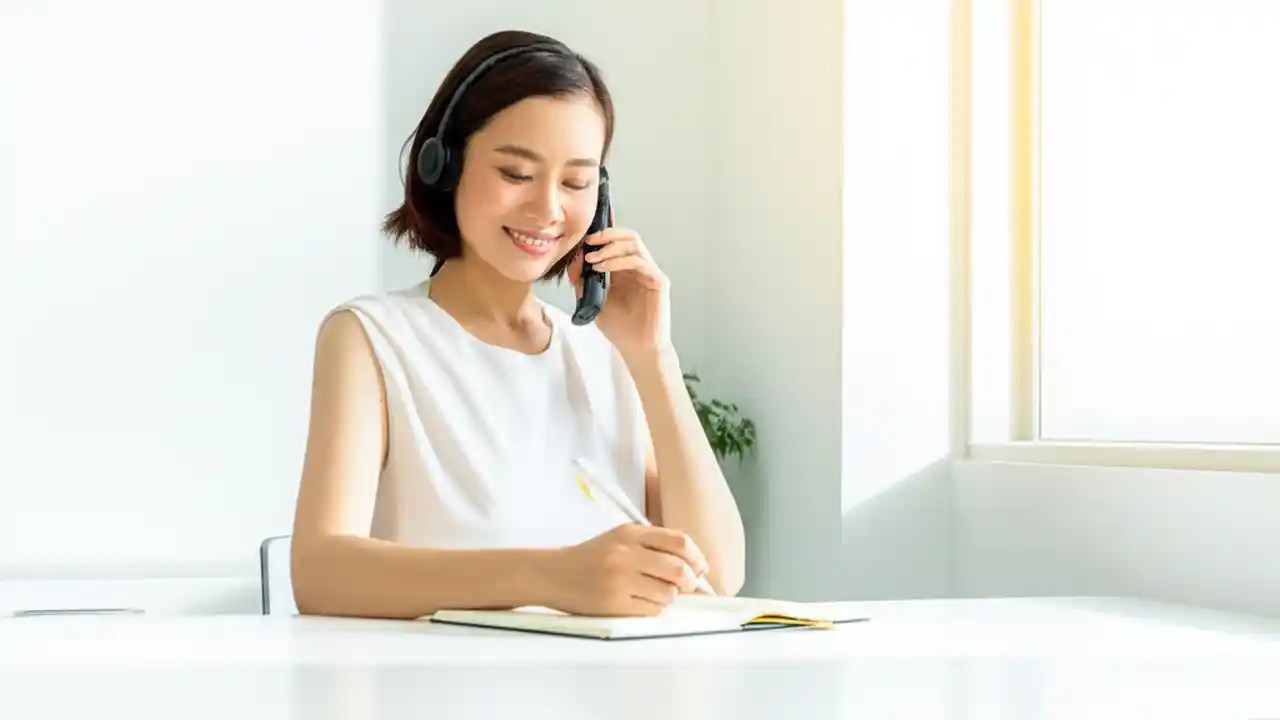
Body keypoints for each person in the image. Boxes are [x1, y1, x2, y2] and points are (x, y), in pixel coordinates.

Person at [290, 29, 745, 620]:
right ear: (442, 165)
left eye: (577, 183)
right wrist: (552, 575)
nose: (549, 210)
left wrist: (653, 355)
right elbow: (322, 572)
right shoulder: (372, 337)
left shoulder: (606, 354)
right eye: (516, 173)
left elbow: (719, 573)